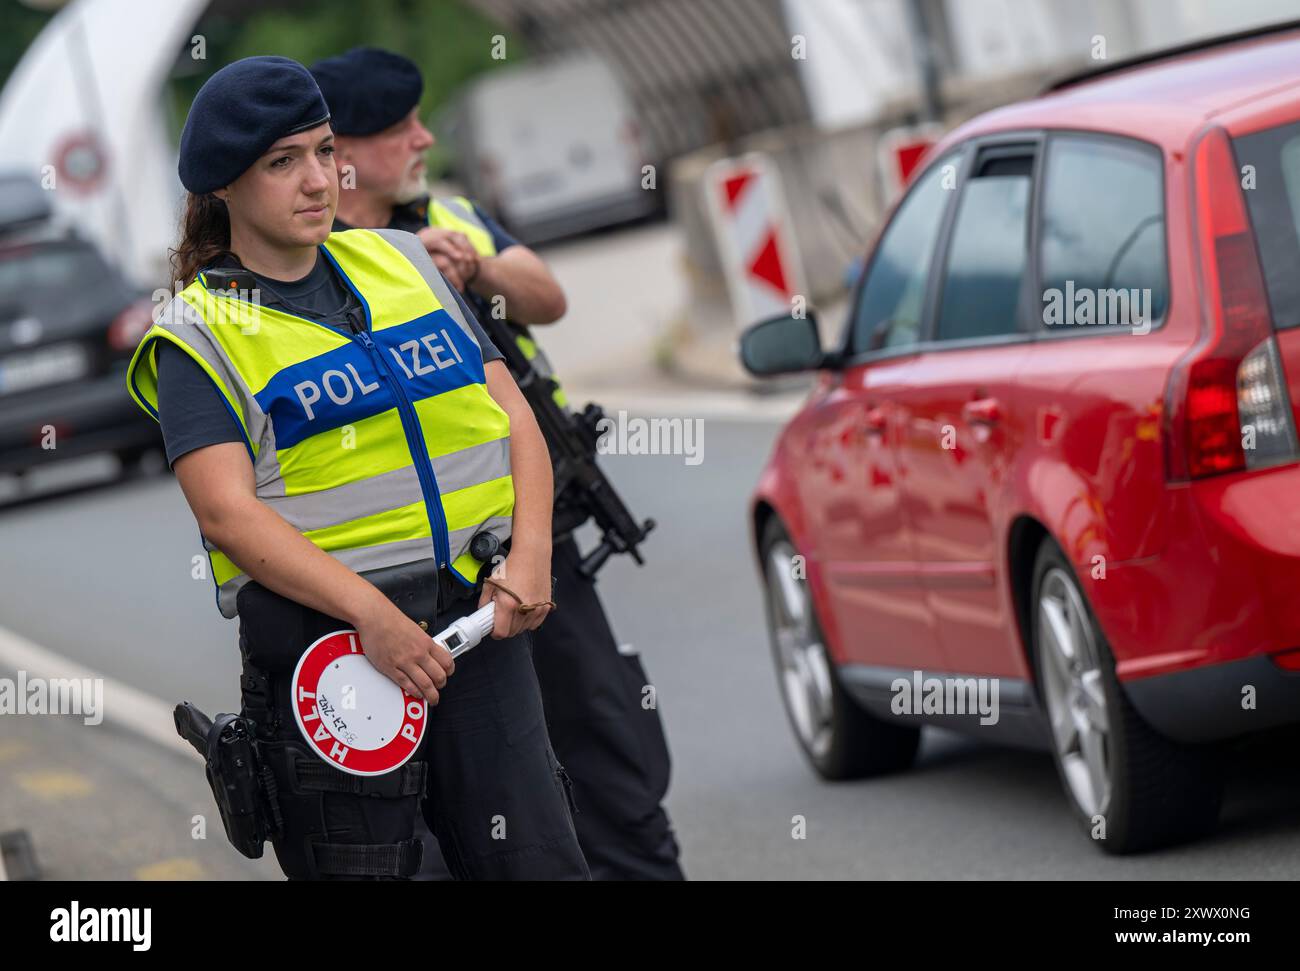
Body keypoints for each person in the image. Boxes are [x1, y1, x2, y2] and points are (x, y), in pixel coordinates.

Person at [124, 55, 589, 880]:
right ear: (223, 186)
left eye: (324, 150)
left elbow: (512, 411)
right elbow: (227, 514)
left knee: (541, 867)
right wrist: (369, 612)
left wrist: (532, 551)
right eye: (282, 162)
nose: (318, 180)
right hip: (336, 660)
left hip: (473, 629)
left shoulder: (405, 263)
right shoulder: (198, 335)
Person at [311, 47, 685, 881]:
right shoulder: (318, 260)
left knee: (601, 737)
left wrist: (473, 267)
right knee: (455, 802)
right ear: (343, 155)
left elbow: (546, 295)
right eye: (398, 128)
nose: (423, 137)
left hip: (529, 539)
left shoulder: (447, 215)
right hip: (406, 575)